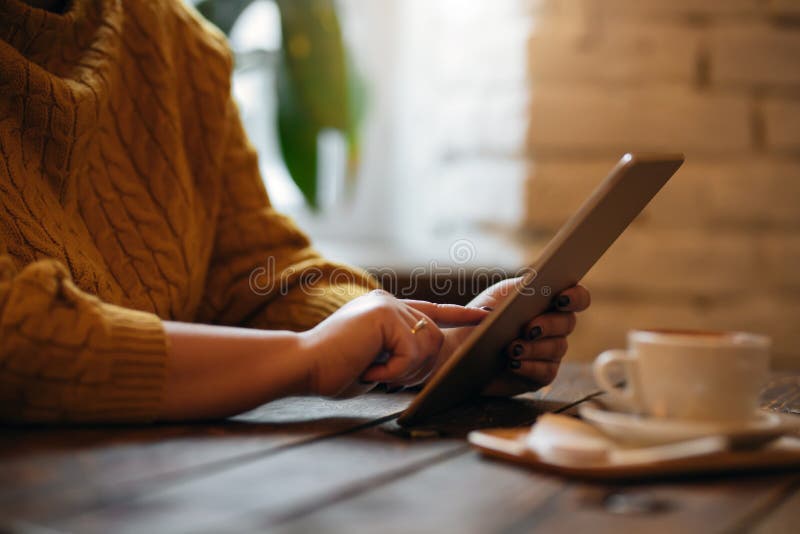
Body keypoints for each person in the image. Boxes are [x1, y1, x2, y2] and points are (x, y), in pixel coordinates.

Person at [0, 0, 590, 423]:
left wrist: (432, 348)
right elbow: (18, 338)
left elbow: (254, 269)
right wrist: (306, 358)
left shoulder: (176, 40)